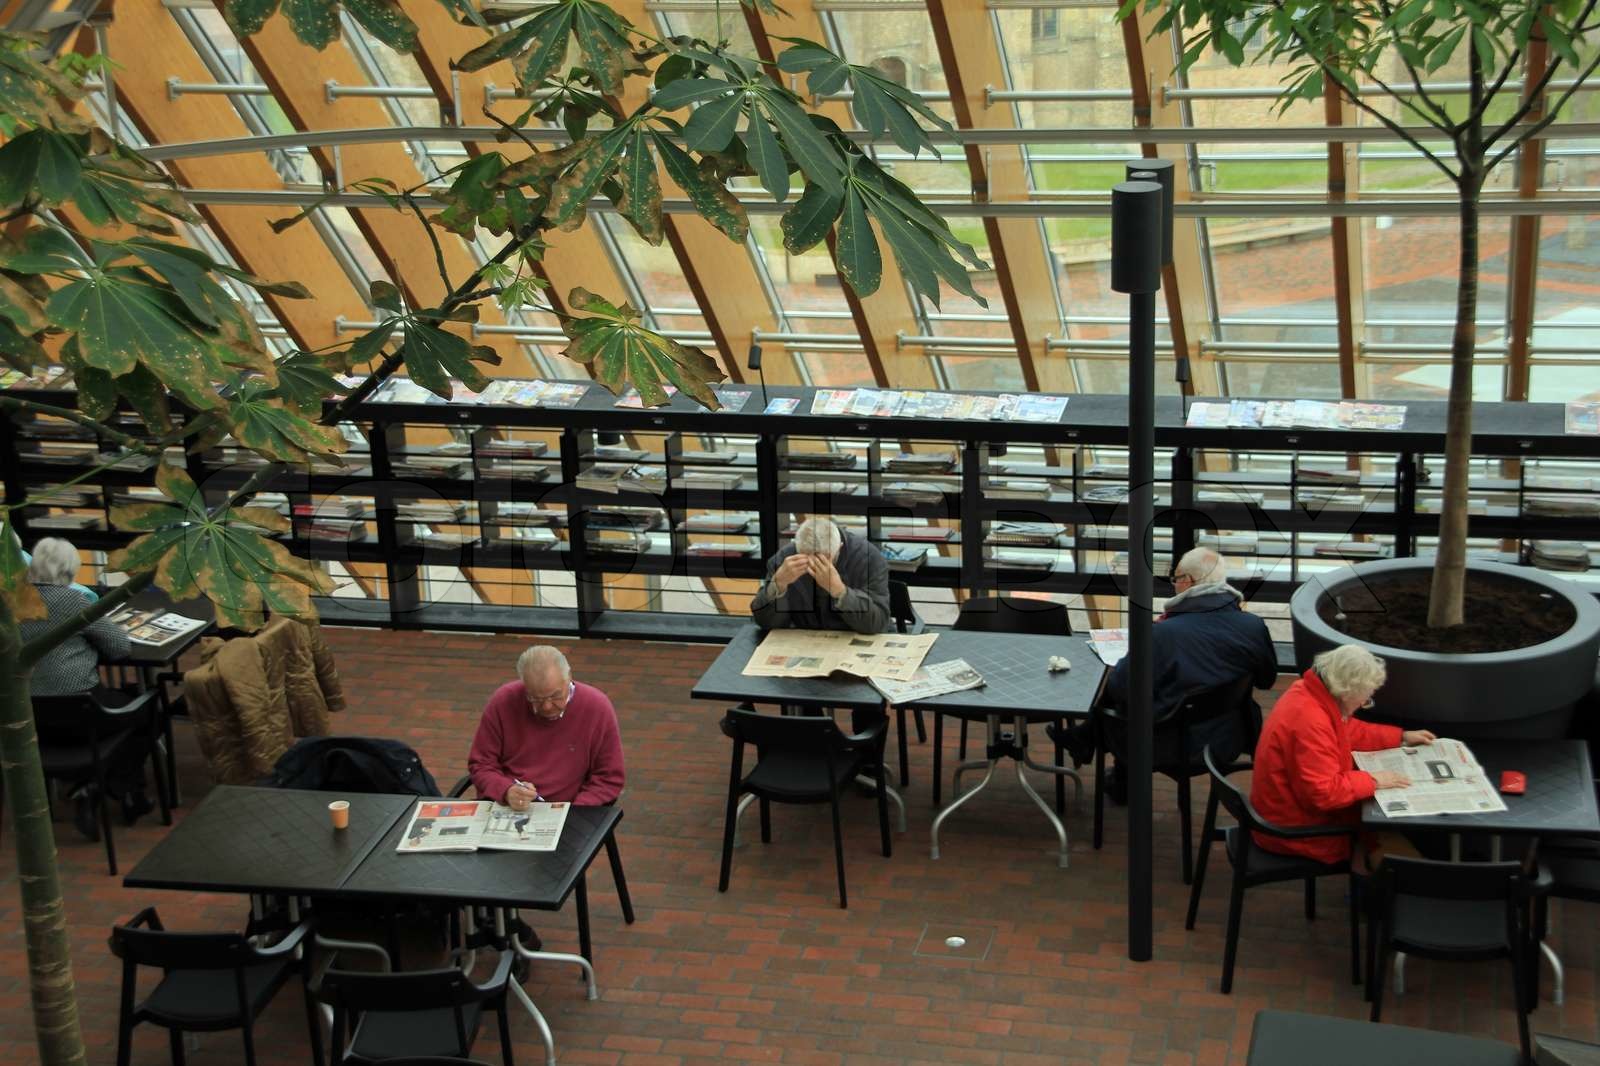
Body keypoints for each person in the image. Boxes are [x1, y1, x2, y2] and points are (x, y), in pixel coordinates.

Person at [1057, 548, 1278, 791]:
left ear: (1187, 581)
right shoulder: (1253, 626)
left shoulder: (1164, 634)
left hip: (1169, 742)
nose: (1174, 585)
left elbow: (1122, 687)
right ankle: (1088, 743)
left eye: (1175, 579)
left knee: (1128, 700)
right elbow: (1266, 679)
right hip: (1230, 734)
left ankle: (1093, 747)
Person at [1249, 644, 1435, 873]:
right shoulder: (1311, 722)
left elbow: (1346, 730)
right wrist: (1374, 781)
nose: (1362, 706)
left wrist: (1400, 737)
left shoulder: (1307, 693)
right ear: (1346, 692)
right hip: (1296, 832)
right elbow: (1324, 793)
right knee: (1390, 846)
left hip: (1285, 813)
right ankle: (1382, 895)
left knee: (1382, 830)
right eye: (1364, 700)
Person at [19, 538, 151, 837]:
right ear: (70, 570)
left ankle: (102, 786)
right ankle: (109, 787)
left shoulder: (13, 604)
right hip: (83, 711)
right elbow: (119, 648)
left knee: (123, 708)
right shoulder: (74, 602)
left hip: (32, 718)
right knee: (145, 710)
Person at [467, 645, 625, 809]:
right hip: (510, 805)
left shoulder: (596, 707)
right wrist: (506, 790)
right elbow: (481, 765)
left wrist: (574, 811)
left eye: (556, 696)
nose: (547, 707)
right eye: (535, 698)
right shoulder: (504, 701)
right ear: (524, 685)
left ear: (569, 677)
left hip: (572, 808)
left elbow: (609, 778)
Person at [751, 516, 890, 635]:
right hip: (803, 641)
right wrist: (778, 585)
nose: (814, 565)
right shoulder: (784, 560)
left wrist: (840, 591)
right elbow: (764, 623)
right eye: (806, 558)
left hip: (854, 639)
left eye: (825, 559)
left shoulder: (868, 558)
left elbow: (877, 623)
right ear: (797, 549)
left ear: (839, 548)